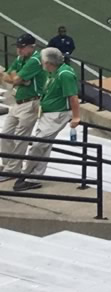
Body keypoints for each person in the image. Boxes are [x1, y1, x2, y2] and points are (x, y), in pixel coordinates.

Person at [11, 46, 80, 191]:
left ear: (49, 63)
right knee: (44, 146)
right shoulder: (54, 72)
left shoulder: (64, 74)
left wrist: (76, 117)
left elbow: (73, 97)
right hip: (48, 113)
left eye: (43, 61)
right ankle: (33, 177)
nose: (41, 63)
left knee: (38, 145)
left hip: (57, 114)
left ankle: (27, 174)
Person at [1, 35, 44, 175]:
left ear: (32, 47)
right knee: (5, 134)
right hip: (18, 102)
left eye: (22, 47)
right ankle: (8, 165)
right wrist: (20, 80)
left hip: (31, 102)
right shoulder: (21, 58)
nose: (19, 50)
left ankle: (13, 169)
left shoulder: (35, 60)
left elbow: (15, 79)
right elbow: (6, 76)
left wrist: (17, 79)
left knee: (21, 138)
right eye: (18, 47)